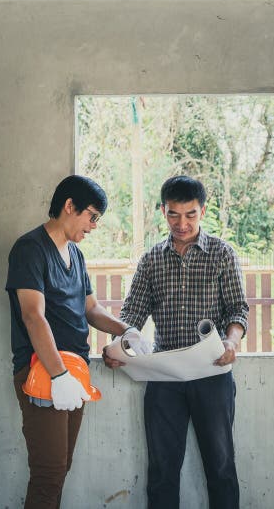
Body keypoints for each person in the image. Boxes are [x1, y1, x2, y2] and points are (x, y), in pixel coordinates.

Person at [103, 175, 249, 509]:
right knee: (162, 471)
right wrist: (117, 346)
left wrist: (231, 342)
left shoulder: (222, 254)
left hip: (213, 374)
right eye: (173, 215)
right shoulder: (151, 260)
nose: (181, 224)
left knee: (221, 467)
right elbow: (132, 315)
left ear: (203, 211)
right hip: (164, 378)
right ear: (162, 211)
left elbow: (238, 310)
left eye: (190, 215)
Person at [6, 175, 151, 509]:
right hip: (42, 371)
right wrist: (57, 376)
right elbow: (33, 316)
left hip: (75, 374)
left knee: (61, 469)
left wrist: (126, 330)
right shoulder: (30, 249)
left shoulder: (76, 255)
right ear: (69, 206)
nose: (94, 226)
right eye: (92, 216)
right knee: (48, 473)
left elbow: (91, 309)